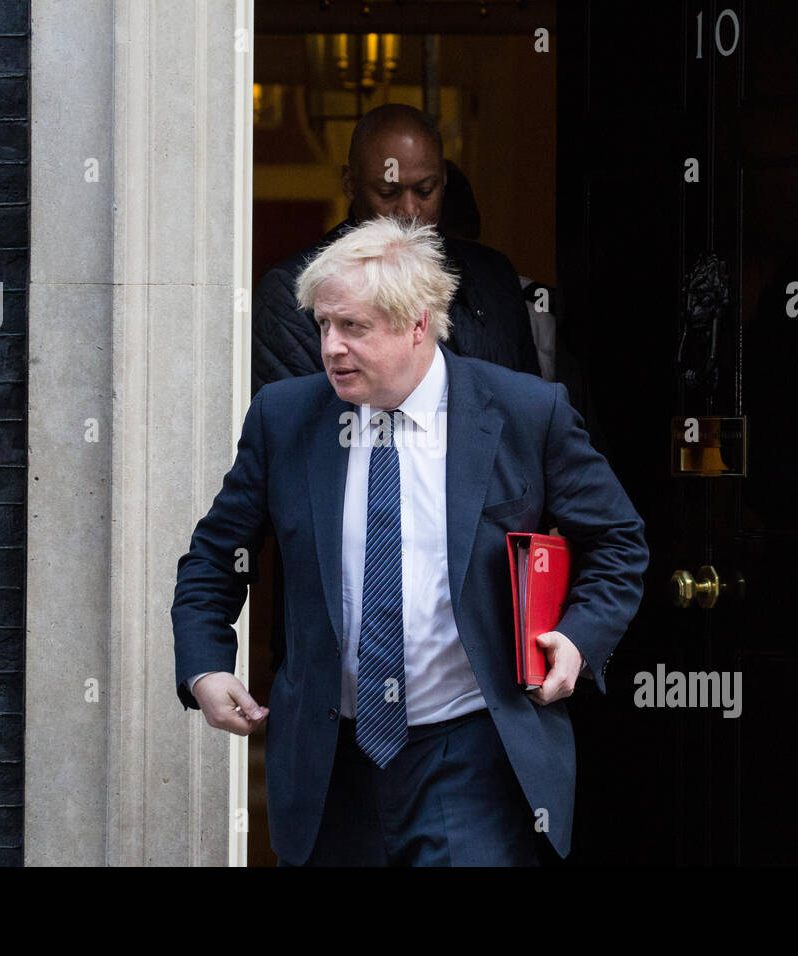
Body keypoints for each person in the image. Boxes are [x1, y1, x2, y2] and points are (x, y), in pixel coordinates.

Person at [172, 217, 648, 866]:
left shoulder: (524, 411)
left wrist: (577, 637)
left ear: (418, 324)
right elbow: (215, 556)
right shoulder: (285, 417)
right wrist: (205, 666)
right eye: (323, 325)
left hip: (472, 754)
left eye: (354, 327)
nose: (331, 347)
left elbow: (618, 540)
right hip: (331, 764)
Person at [251, 103, 540, 394]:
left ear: (444, 179)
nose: (409, 210)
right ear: (350, 184)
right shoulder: (291, 292)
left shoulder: (494, 276)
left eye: (425, 191)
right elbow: (298, 417)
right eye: (388, 192)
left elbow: (528, 406)